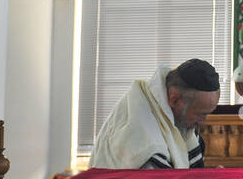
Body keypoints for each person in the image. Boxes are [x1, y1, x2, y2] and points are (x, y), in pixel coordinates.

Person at [90, 59, 222, 169]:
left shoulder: (179, 118)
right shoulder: (143, 139)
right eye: (200, 114)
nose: (204, 122)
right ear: (174, 100)